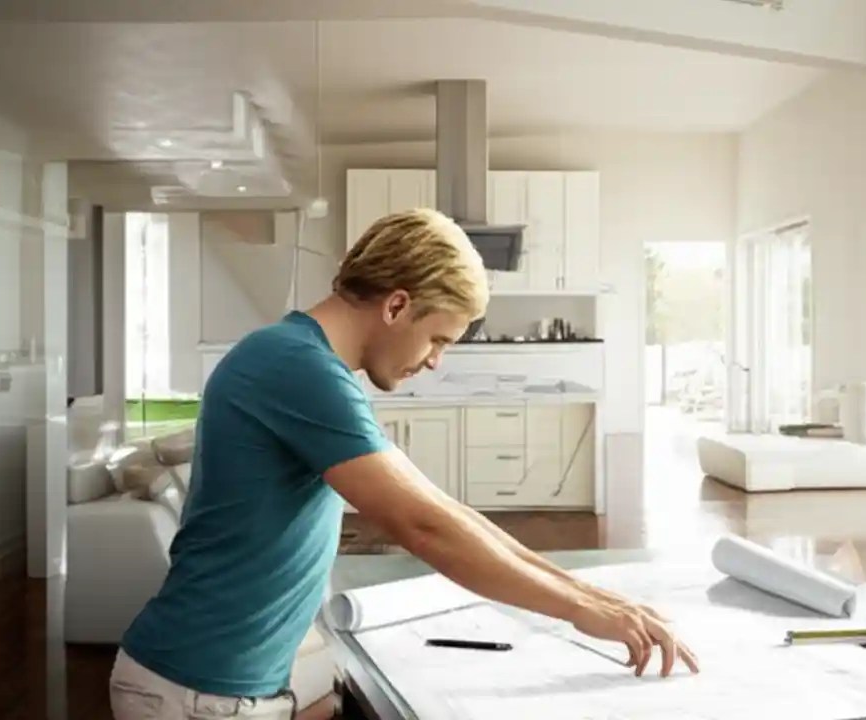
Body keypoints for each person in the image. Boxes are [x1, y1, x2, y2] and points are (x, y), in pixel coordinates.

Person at [109, 209, 699, 720]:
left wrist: (593, 596)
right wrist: (579, 611)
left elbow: (443, 509)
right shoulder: (299, 367)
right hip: (198, 690)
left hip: (215, 682)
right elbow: (422, 527)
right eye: (439, 339)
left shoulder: (299, 358)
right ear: (397, 305)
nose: (436, 361)